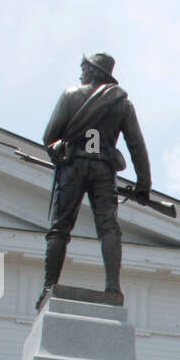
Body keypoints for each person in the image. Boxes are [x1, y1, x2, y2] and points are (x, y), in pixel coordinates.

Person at [36, 52, 151, 310]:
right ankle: (113, 287)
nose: (81, 70)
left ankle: (48, 285)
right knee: (109, 228)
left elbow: (49, 137)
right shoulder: (122, 104)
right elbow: (136, 145)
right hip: (103, 169)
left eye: (84, 66)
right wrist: (144, 184)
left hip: (73, 167)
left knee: (60, 228)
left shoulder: (70, 95)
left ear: (93, 70)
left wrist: (57, 150)